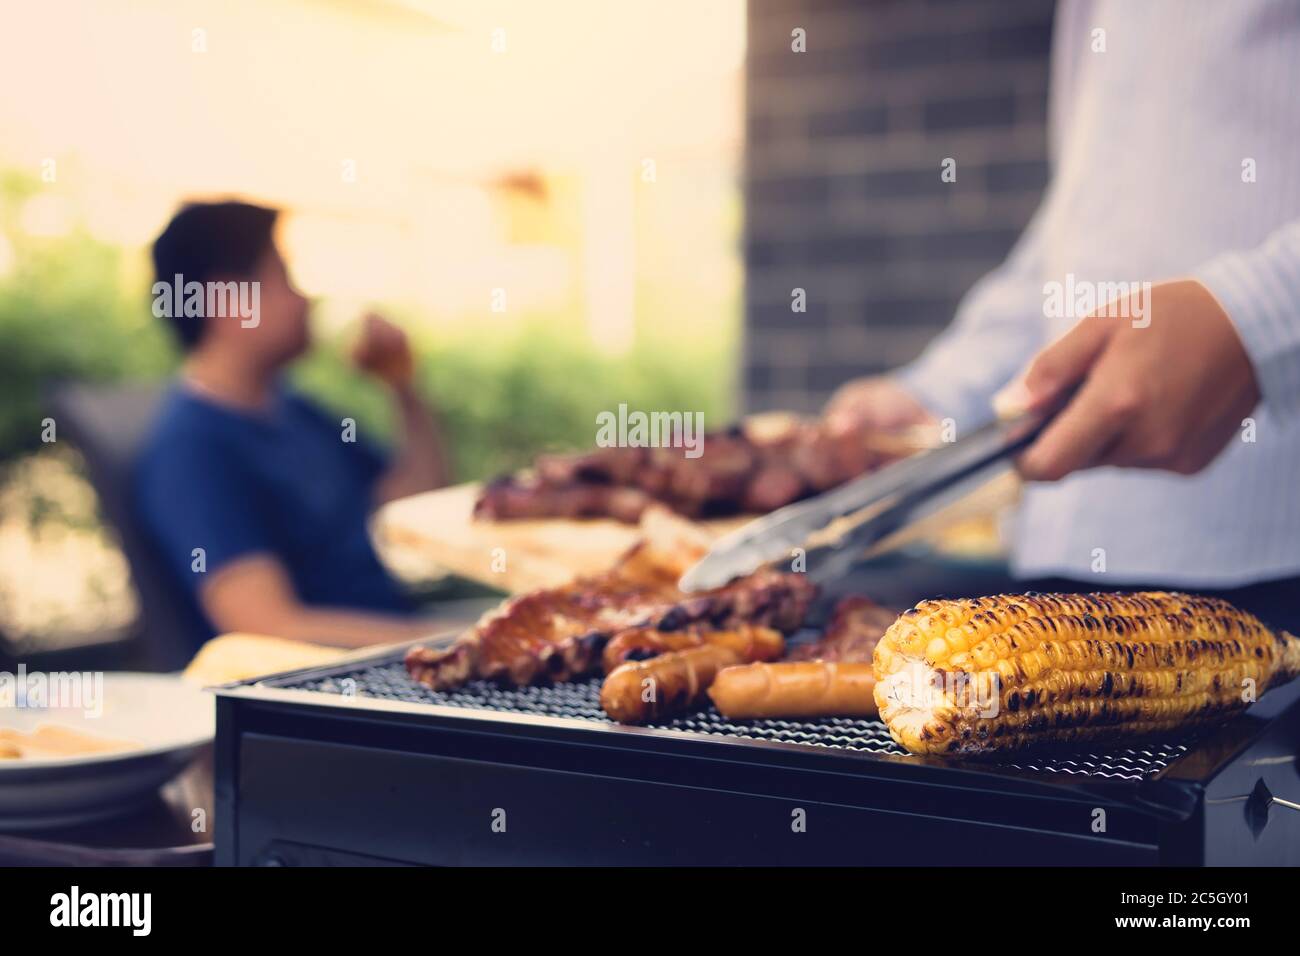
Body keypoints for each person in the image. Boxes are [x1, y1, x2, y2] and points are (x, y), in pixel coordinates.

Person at [824, 1, 1300, 624]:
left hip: (1268, 556)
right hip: (1063, 573)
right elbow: (1089, 226)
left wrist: (1258, 317)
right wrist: (938, 393)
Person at [137, 200, 450, 649]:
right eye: (284, 276)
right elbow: (268, 626)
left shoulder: (292, 409)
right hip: (340, 695)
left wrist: (401, 386)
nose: (305, 298)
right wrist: (442, 641)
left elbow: (420, 490)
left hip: (396, 652)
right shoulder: (192, 450)